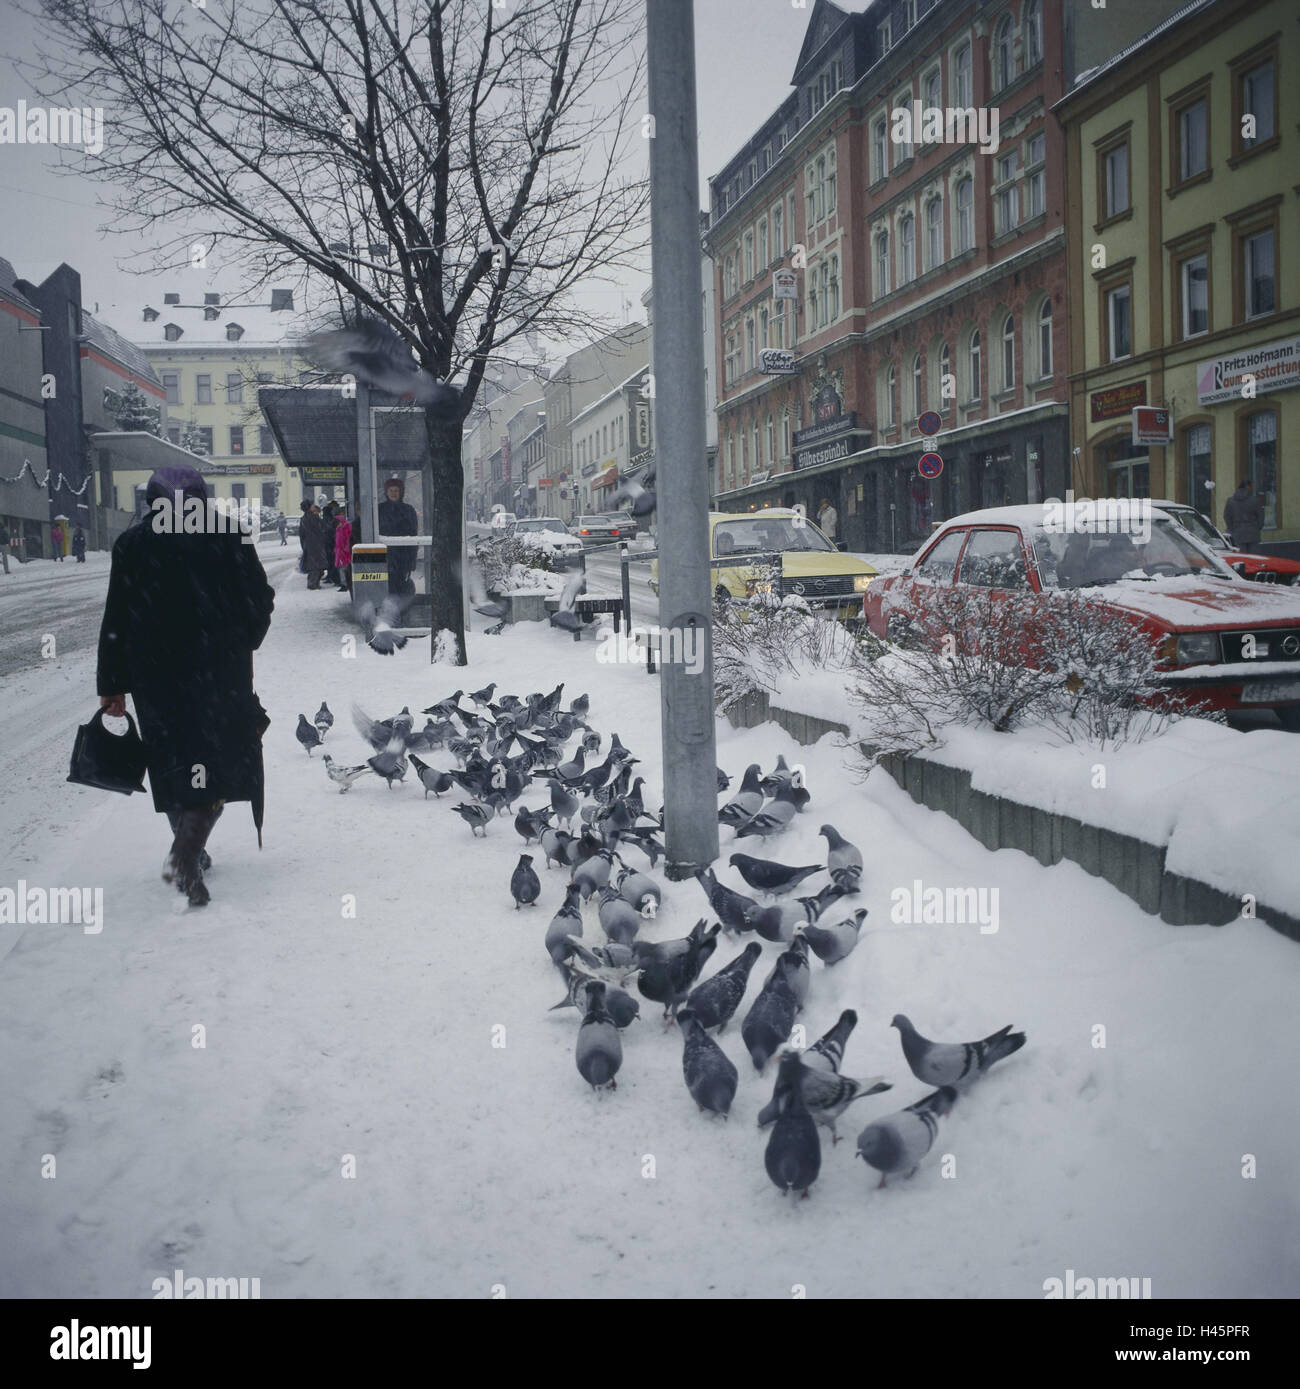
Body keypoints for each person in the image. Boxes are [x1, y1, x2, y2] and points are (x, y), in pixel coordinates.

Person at [96, 464, 274, 907]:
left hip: (158, 678)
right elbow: (259, 599)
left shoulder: (133, 545)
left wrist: (113, 684)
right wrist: (243, 638)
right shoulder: (228, 536)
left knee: (174, 761)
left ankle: (186, 846)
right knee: (212, 761)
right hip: (220, 675)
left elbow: (116, 616)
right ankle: (187, 852)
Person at [378, 476, 419, 596]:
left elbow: (413, 535)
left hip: (403, 556)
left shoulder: (409, 510)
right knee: (386, 586)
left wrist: (412, 561)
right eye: (391, 490)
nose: (393, 493)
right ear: (386, 492)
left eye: (396, 490)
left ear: (401, 492)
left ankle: (400, 610)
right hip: (384, 556)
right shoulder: (379, 509)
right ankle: (389, 610)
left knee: (401, 586)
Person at [1223, 478, 1264, 554]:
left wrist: (1232, 529)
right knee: (1254, 558)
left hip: (1237, 534)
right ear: (1248, 487)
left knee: (1242, 558)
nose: (1252, 488)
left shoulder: (1230, 501)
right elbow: (1261, 517)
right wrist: (1257, 527)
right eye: (1251, 486)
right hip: (1253, 534)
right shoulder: (1254, 500)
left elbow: (1226, 516)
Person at [298, 500, 328, 589]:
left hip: (308, 544)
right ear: (309, 507)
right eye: (312, 505)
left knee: (313, 564)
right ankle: (314, 584)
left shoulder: (303, 519)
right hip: (317, 544)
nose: (313, 506)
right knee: (318, 565)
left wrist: (304, 545)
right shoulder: (314, 517)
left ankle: (312, 583)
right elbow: (322, 529)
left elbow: (301, 534)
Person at [334, 509, 355, 592]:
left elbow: (347, 539)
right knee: (342, 568)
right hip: (340, 551)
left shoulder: (345, 527)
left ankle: (345, 584)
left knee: (344, 568)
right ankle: (344, 583)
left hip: (344, 552)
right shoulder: (340, 528)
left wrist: (346, 549)